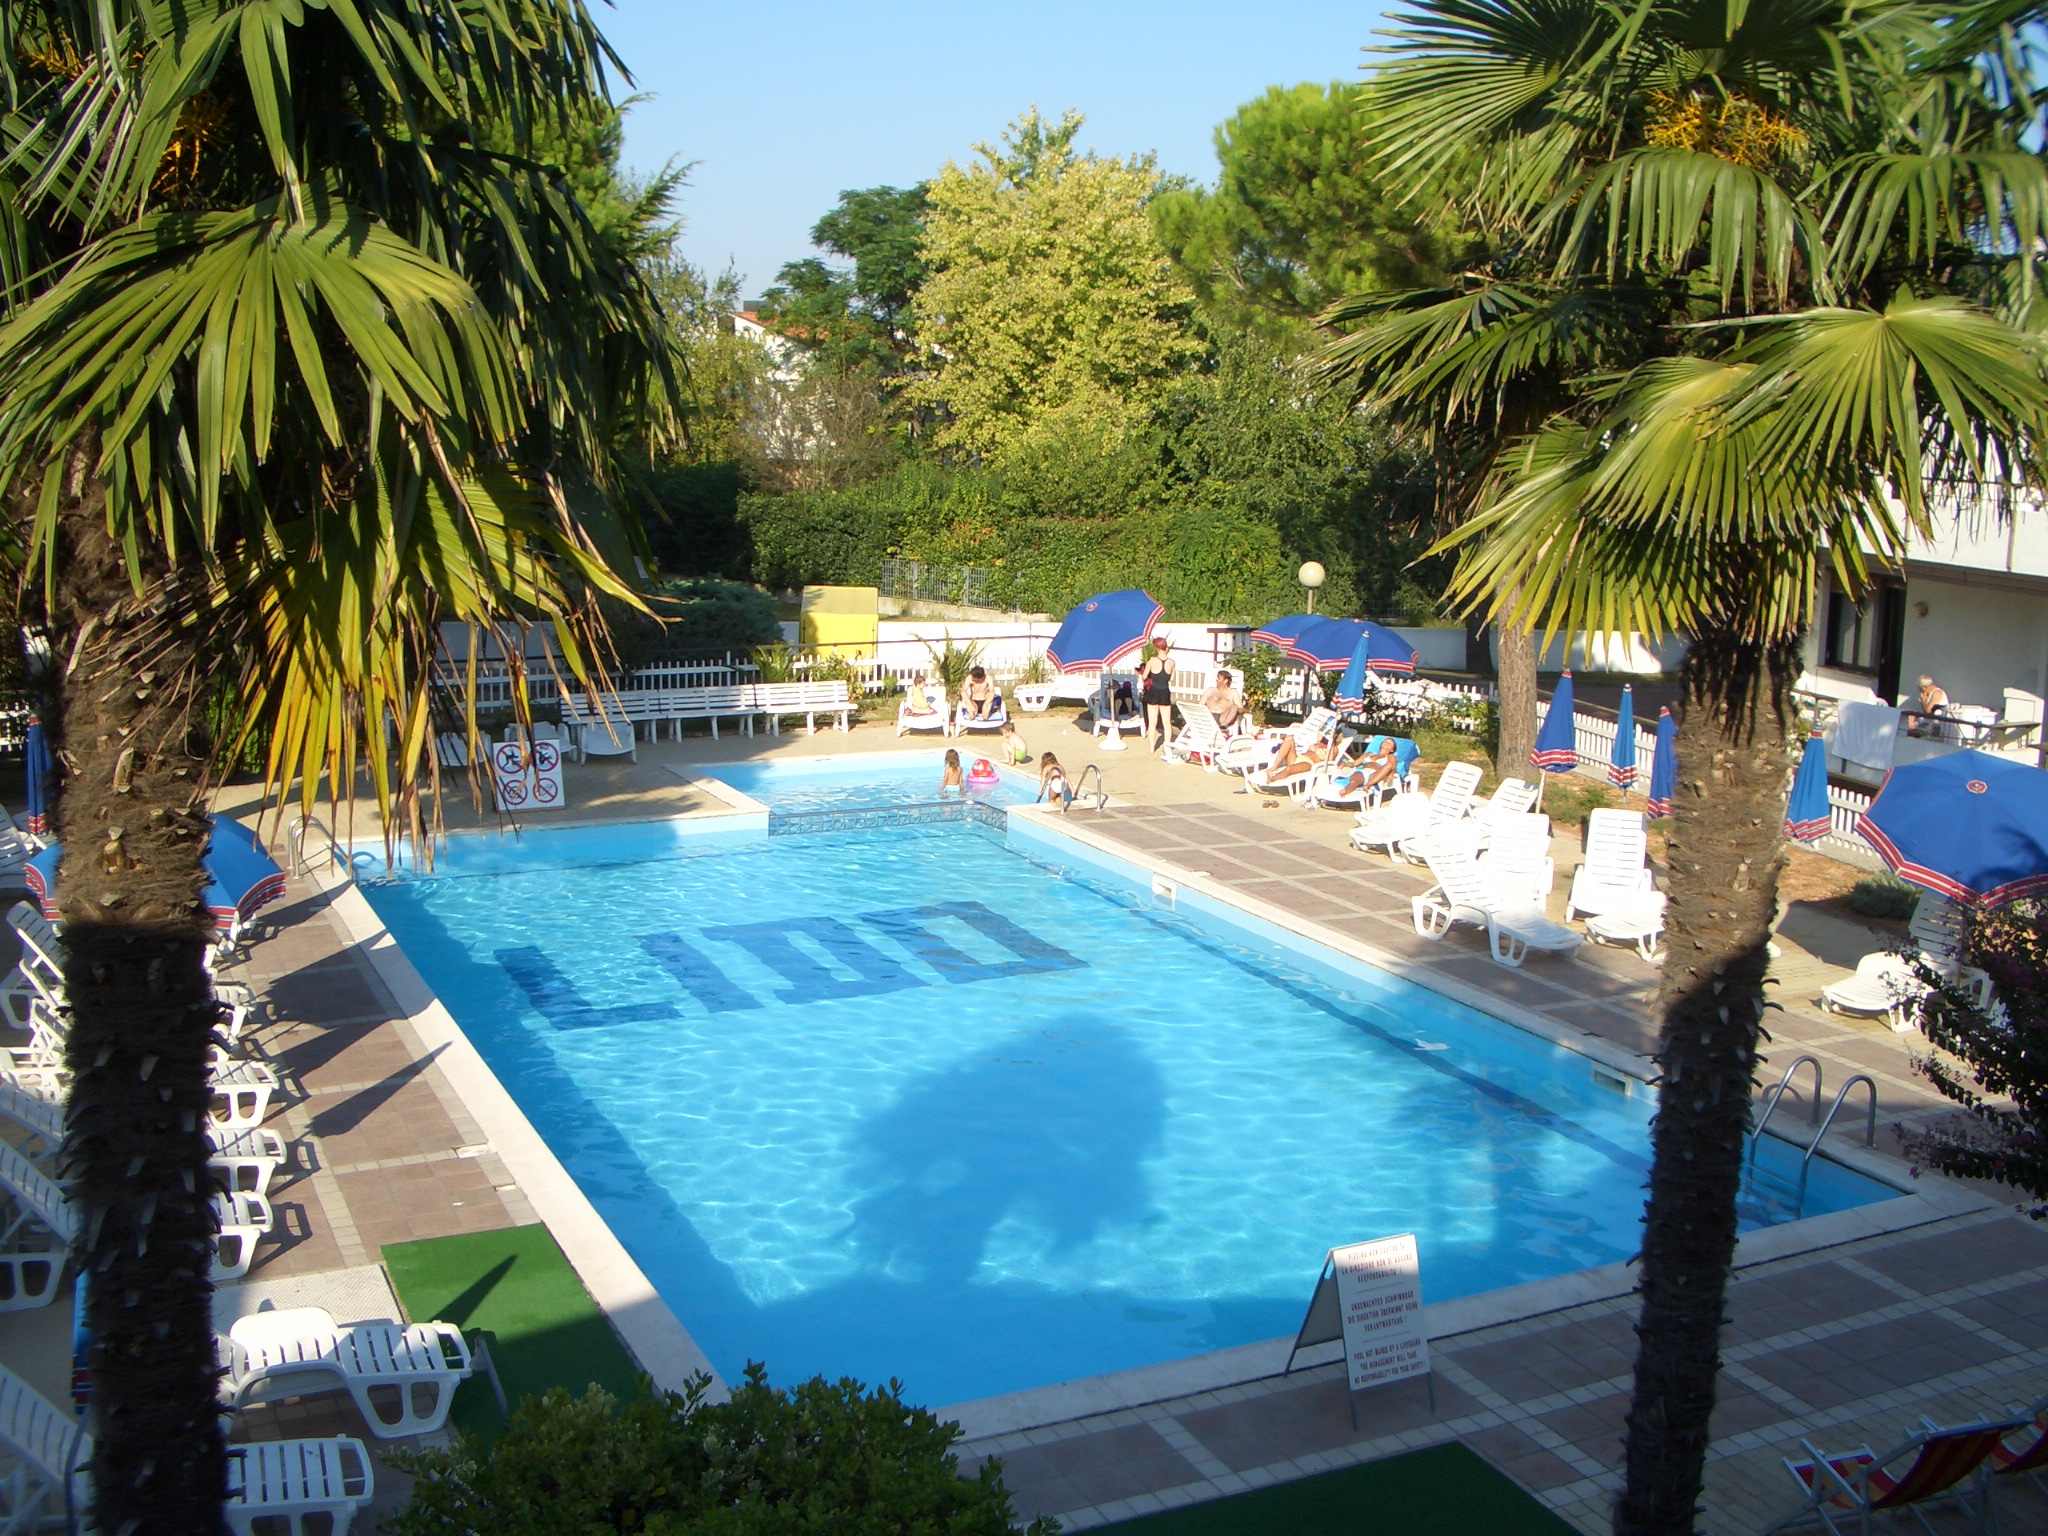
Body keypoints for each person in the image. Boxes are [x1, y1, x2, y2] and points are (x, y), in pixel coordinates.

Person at [1328, 737, 1409, 800]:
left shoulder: (1391, 756)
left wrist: (1391, 775)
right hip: (1363, 772)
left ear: (1392, 749)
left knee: (1388, 766)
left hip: (1376, 774)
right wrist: (1345, 764)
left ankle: (1368, 785)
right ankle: (1345, 791)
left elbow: (1392, 766)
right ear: (1381, 744)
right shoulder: (1368, 754)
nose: (1386, 743)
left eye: (1390, 743)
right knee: (1354, 781)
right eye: (1385, 741)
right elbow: (1354, 763)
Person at [1139, 635, 1175, 754]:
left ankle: (1151, 747)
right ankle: (1167, 746)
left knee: (1152, 721)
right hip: (1165, 691)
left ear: (1157, 648)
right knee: (1166, 722)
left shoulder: (1152, 660)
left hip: (1154, 692)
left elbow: (1144, 676)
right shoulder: (1171, 662)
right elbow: (1172, 679)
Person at [1203, 669, 1244, 733]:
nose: (1216, 680)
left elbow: (1241, 708)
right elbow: (1199, 705)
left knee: (1235, 706)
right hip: (1208, 717)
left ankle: (1223, 727)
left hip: (1223, 718)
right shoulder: (1209, 691)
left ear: (1226, 681)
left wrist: (1237, 711)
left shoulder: (1232, 693)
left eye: (1219, 678)